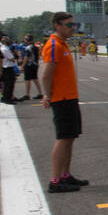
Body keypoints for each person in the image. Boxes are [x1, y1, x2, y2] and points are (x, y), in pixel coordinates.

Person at [39, 12, 88, 193]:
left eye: (73, 24)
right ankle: (55, 180)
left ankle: (65, 175)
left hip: (69, 96)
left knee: (70, 137)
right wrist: (48, 95)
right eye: (68, 25)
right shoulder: (53, 45)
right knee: (62, 139)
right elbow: (46, 74)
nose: (72, 28)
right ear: (57, 25)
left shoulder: (62, 44)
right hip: (62, 98)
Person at [20, 34, 41, 99]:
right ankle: (40, 93)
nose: (24, 41)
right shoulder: (35, 47)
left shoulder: (28, 47)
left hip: (29, 65)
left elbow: (27, 57)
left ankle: (27, 94)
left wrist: (22, 66)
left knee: (27, 79)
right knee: (35, 78)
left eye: (25, 39)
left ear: (27, 40)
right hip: (35, 64)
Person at [0, 35, 19, 104]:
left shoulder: (2, 48)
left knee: (7, 84)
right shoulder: (5, 49)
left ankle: (6, 97)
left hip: (5, 68)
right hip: (8, 68)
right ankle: (8, 98)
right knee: (9, 85)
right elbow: (12, 59)